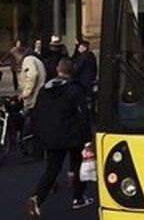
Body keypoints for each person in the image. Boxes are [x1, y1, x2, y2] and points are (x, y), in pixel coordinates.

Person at [26, 59, 94, 218]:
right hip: (73, 134)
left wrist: (41, 135)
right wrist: (87, 139)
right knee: (78, 165)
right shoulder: (75, 89)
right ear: (72, 71)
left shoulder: (45, 90)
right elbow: (83, 115)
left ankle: (37, 198)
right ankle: (78, 197)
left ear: (58, 70)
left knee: (52, 168)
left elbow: (37, 113)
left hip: (52, 135)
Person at [12, 46, 46, 159]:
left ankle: (37, 152)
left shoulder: (28, 60)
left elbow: (32, 75)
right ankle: (38, 151)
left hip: (35, 98)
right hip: (38, 97)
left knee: (35, 127)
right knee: (36, 126)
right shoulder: (33, 59)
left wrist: (25, 93)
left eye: (14, 57)